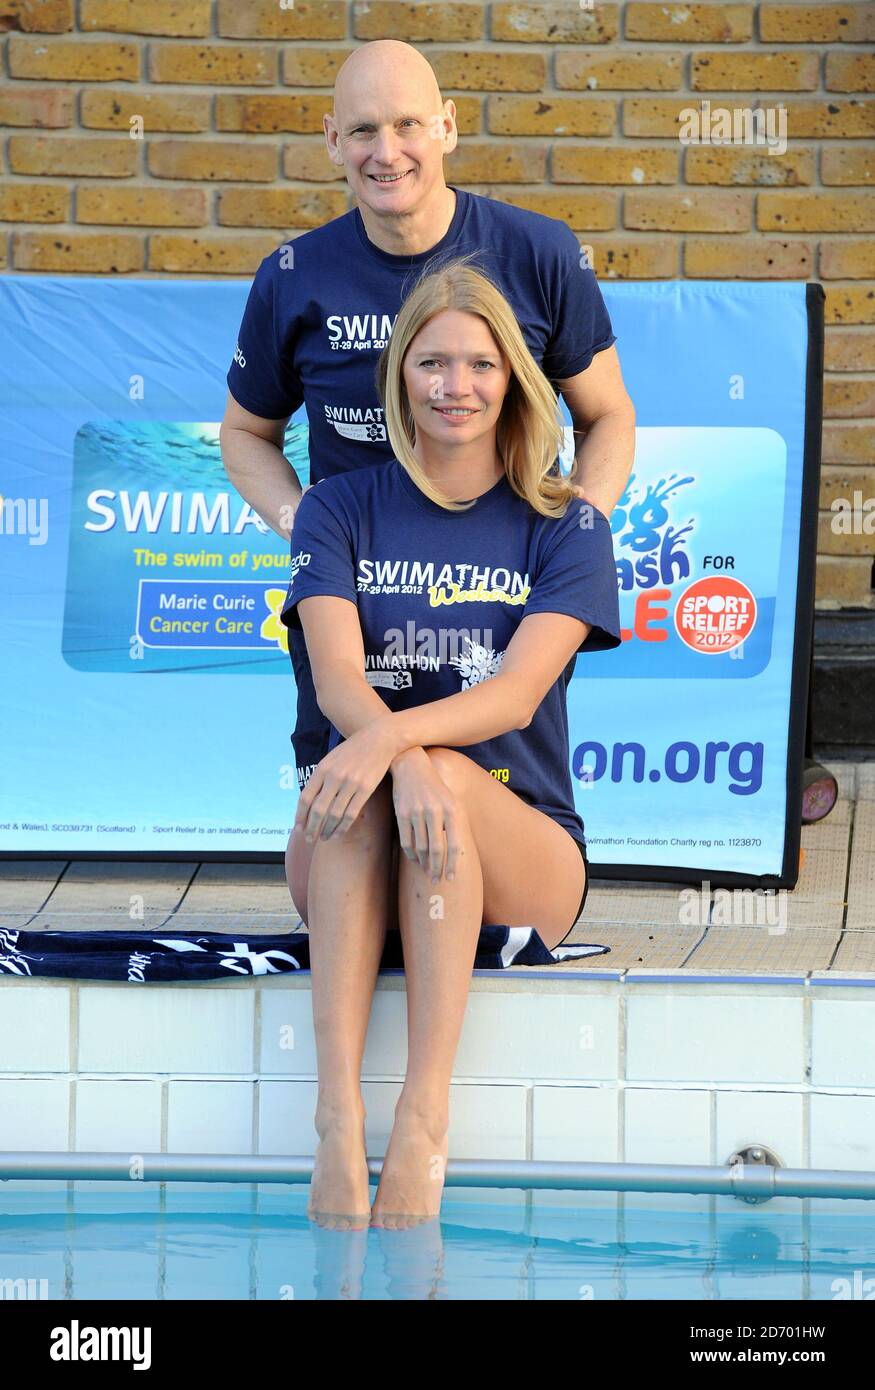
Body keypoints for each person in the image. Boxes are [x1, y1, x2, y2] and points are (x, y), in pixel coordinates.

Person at [219, 39, 636, 917]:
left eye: (408, 124)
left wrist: (572, 539)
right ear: (331, 141)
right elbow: (245, 435)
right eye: (363, 130)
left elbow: (608, 417)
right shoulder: (294, 276)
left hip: (495, 597)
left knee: (476, 792)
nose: (387, 151)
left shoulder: (538, 253)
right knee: (360, 799)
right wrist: (313, 536)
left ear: (446, 126)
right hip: (358, 603)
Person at [281, 258, 622, 1230]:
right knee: (359, 790)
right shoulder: (337, 508)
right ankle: (337, 1119)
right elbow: (338, 679)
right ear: (399, 380)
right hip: (352, 843)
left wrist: (410, 754)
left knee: (401, 771)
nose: (455, 384)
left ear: (513, 377)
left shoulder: (565, 522)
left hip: (523, 850)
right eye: (431, 362)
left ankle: (423, 1117)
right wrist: (399, 757)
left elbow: (514, 696)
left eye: (478, 362)